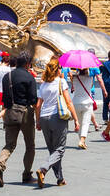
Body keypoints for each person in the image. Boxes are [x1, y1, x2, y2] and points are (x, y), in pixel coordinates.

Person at [0, 54, 39, 186]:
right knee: (30, 146)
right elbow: (33, 100)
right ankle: (26, 174)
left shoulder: (7, 77)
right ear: (27, 64)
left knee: (9, 145)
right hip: (25, 113)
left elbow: (5, 98)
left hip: (9, 112)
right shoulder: (29, 77)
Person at [34, 57, 79, 188]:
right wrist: (76, 119)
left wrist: (37, 121)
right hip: (57, 117)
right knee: (59, 150)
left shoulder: (43, 85)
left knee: (53, 150)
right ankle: (43, 169)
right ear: (57, 70)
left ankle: (60, 178)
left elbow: (38, 105)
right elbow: (69, 102)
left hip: (44, 117)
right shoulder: (61, 82)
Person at [70, 66, 98, 149]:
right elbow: (91, 86)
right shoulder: (90, 78)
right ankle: (82, 140)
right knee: (86, 123)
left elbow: (73, 86)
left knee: (80, 123)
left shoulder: (74, 78)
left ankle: (81, 141)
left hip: (76, 102)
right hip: (87, 102)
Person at [98, 50, 110, 124]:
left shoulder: (104, 64)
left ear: (108, 56)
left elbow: (99, 72)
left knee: (105, 102)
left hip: (105, 84)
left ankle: (105, 118)